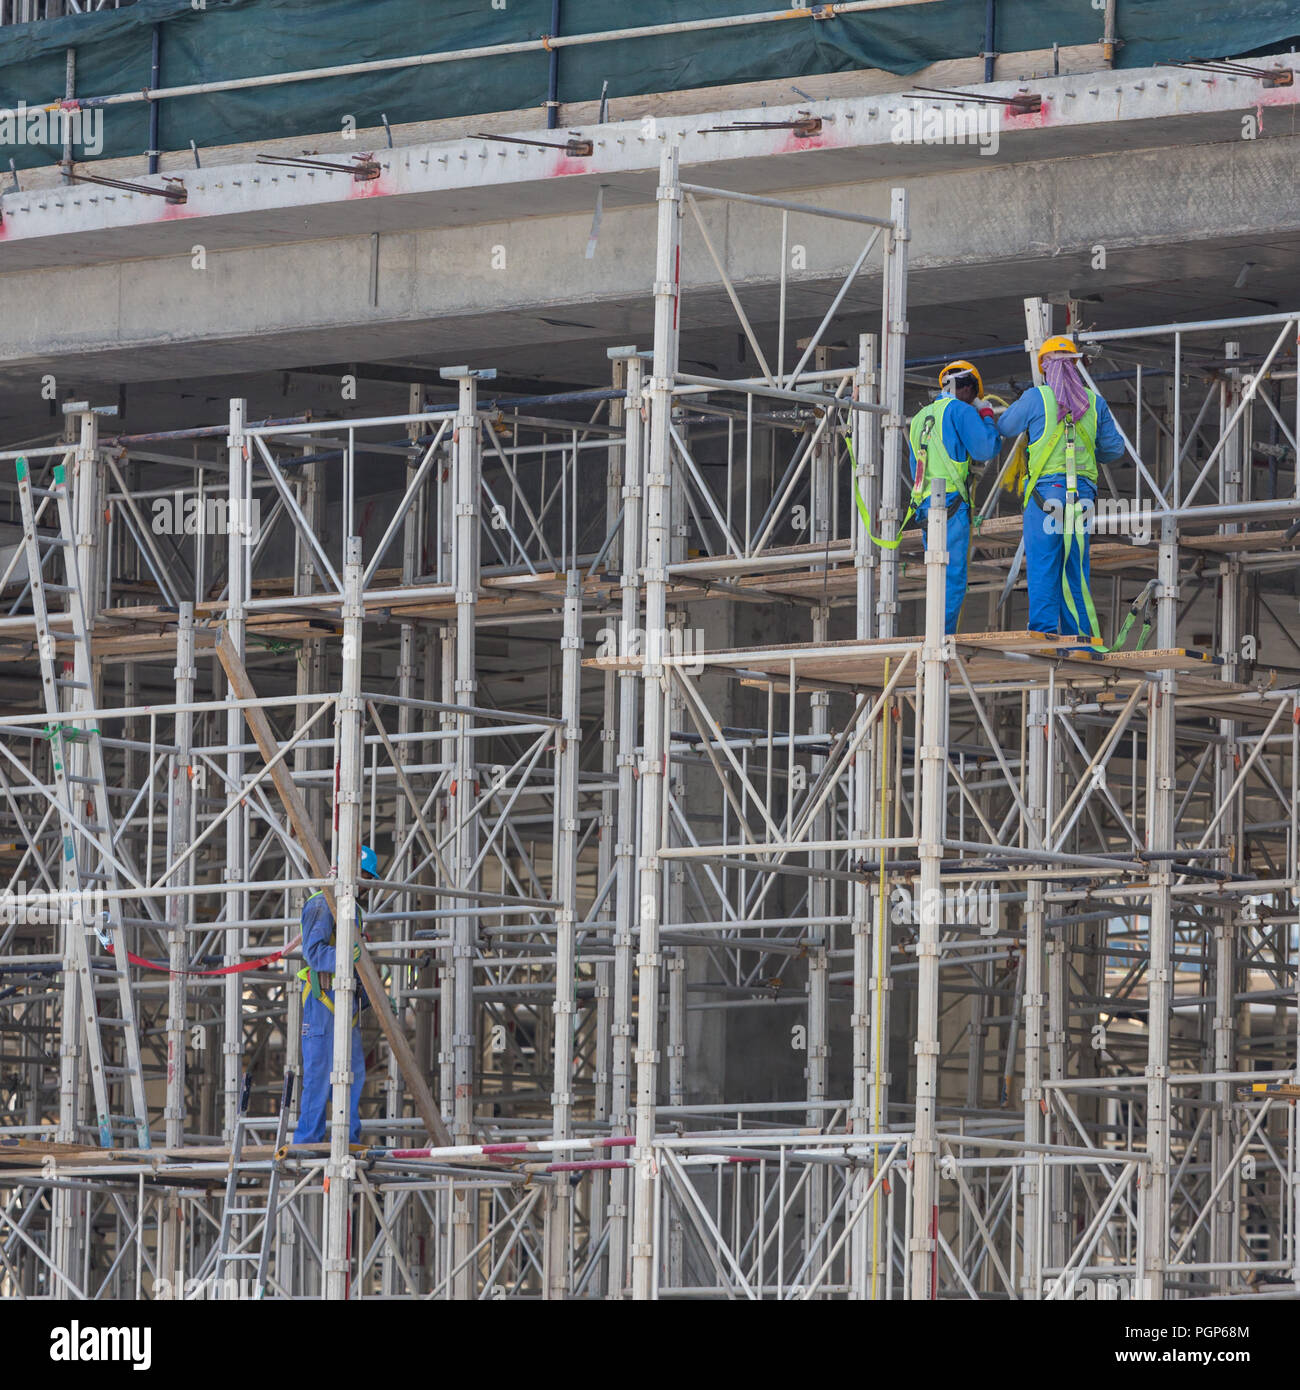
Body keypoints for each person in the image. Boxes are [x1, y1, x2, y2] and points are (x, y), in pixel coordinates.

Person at [997, 336, 1126, 639]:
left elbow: (1005, 428)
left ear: (1043, 366)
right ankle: (1079, 637)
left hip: (1047, 495)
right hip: (1083, 496)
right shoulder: (1094, 402)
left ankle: (1043, 633)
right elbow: (1113, 449)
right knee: (1075, 567)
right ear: (1077, 366)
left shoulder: (1036, 397)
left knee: (1044, 563)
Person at [906, 360, 1001, 634]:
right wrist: (985, 415)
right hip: (951, 506)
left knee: (936, 574)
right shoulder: (961, 410)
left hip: (925, 507)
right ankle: (941, 640)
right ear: (969, 389)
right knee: (953, 577)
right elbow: (985, 448)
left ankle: (934, 636)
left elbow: (916, 469)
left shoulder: (921, 417)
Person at [293, 844, 378, 1145]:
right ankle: (307, 1140)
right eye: (364, 877)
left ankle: (348, 1137)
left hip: (346, 1001)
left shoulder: (351, 908)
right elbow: (314, 953)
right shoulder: (322, 903)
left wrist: (370, 994)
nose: (366, 885)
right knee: (319, 1073)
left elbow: (355, 961)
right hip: (323, 999)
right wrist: (344, 954)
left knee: (352, 1073)